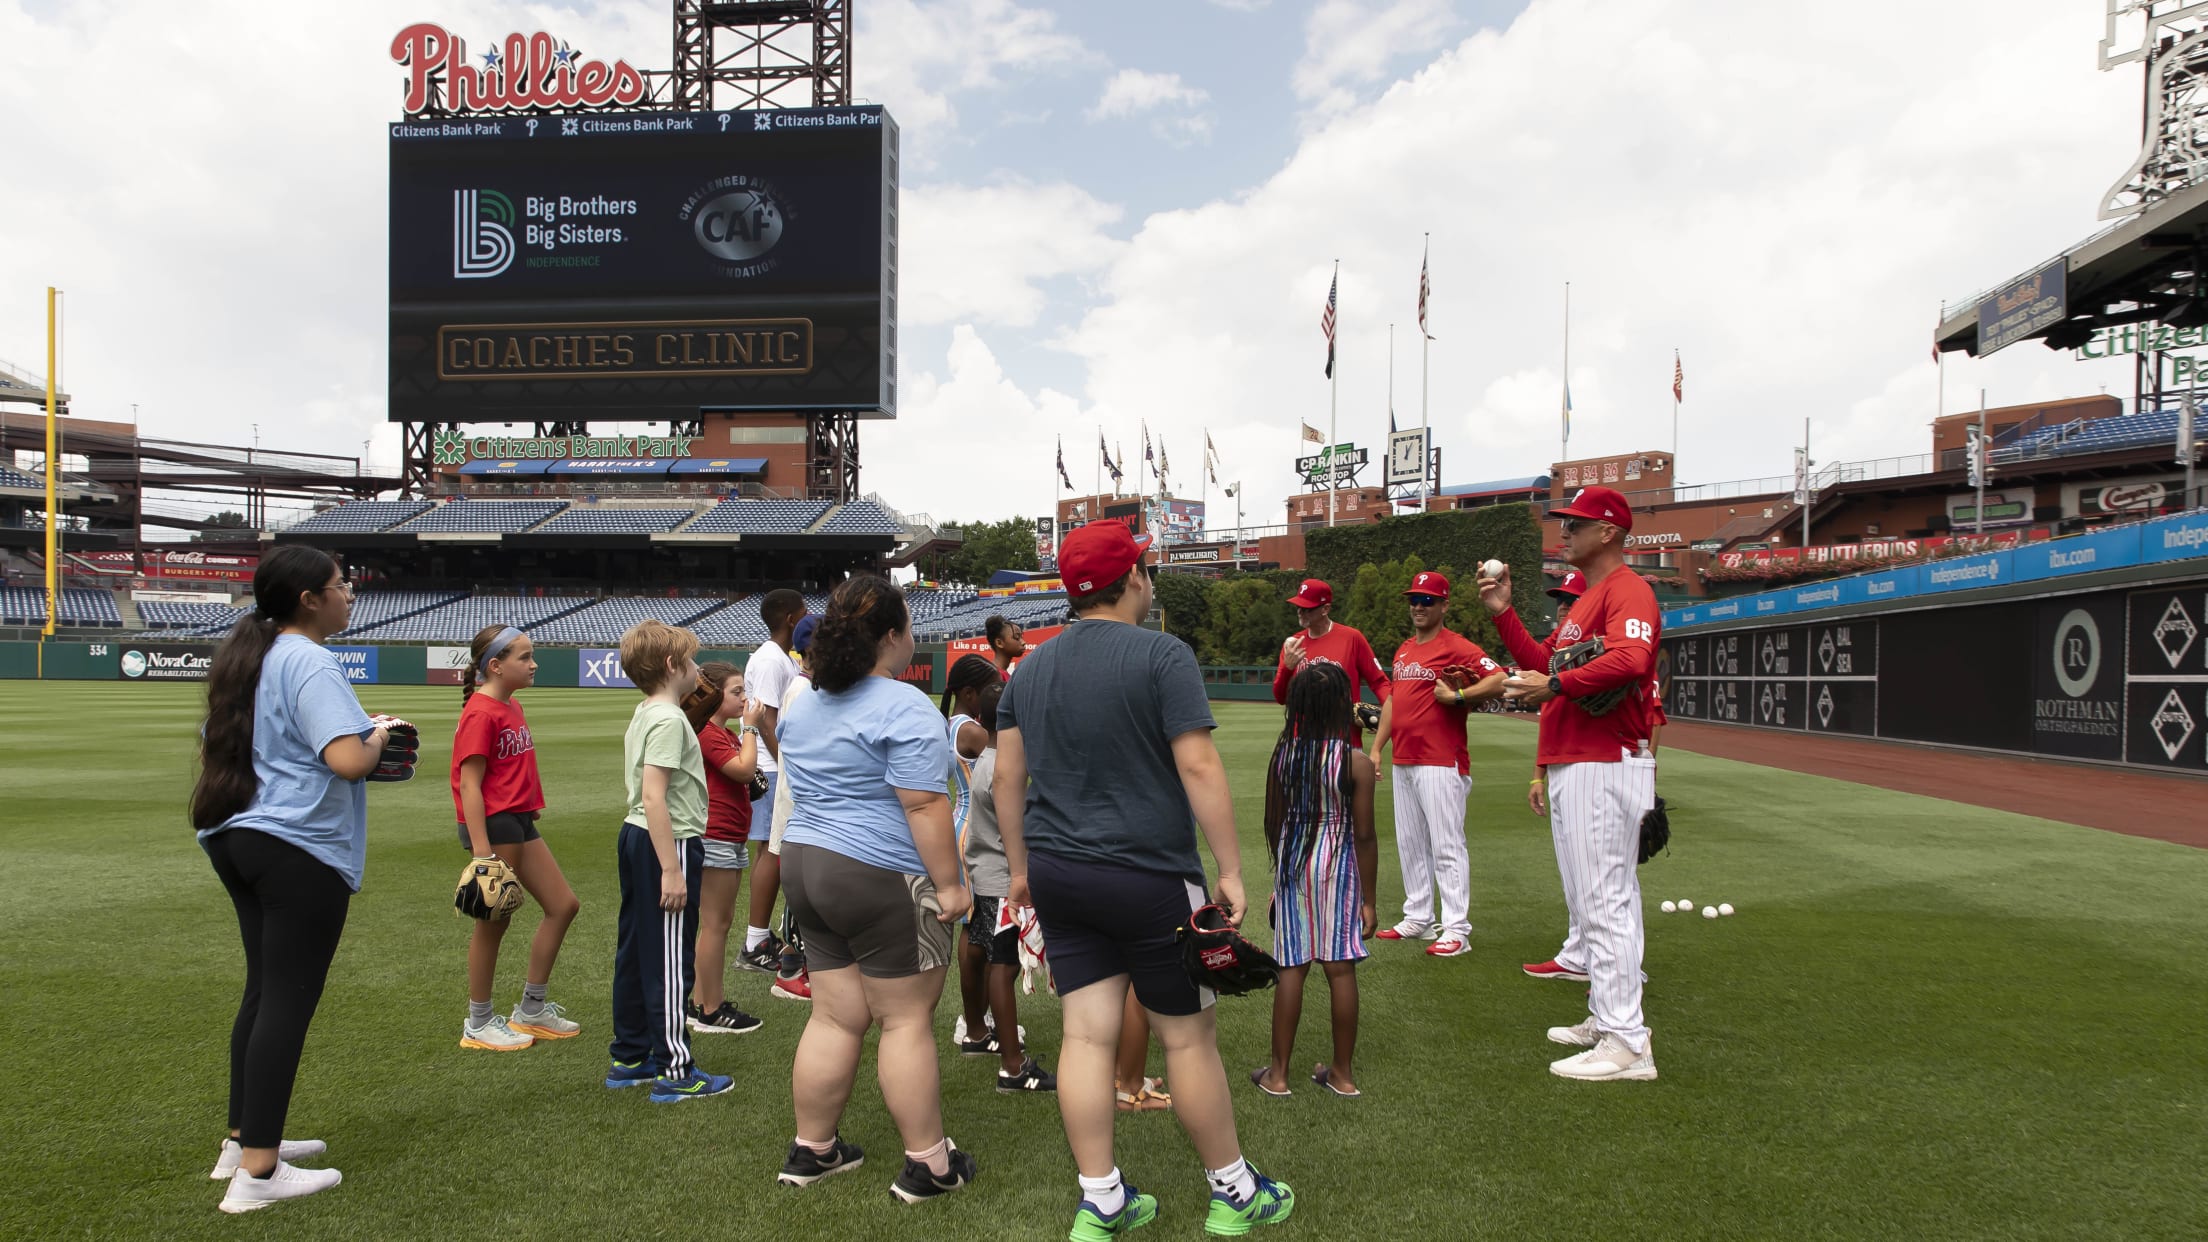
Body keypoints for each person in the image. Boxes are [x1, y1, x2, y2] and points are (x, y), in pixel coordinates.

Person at [997, 520, 1295, 1240]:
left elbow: (1009, 776)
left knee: (1086, 1038)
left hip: (1060, 872)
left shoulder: (1029, 668)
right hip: (1148, 874)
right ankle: (1235, 1190)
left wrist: (1017, 870)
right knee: (1188, 1040)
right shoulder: (1163, 653)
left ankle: (1100, 1198)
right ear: (1132, 578)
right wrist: (1229, 868)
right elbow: (1197, 766)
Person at [192, 546, 387, 1213]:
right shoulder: (308, 657)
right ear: (309, 598)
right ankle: (259, 1173)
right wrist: (381, 734)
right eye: (342, 586)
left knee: (263, 990)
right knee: (287, 1001)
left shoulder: (253, 653)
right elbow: (347, 759)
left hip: (238, 835)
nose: (350, 595)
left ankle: (244, 1140)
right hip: (297, 844)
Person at [775, 576, 977, 1202]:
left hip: (806, 864)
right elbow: (922, 806)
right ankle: (929, 1164)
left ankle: (814, 1149)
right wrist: (951, 885)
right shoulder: (904, 704)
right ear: (891, 636)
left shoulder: (802, 699)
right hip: (877, 870)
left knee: (835, 1017)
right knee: (906, 1018)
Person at [1478, 485, 1664, 1082]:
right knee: (1599, 902)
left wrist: (1556, 687)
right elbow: (1540, 659)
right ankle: (1611, 1021)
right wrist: (1504, 611)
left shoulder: (1629, 588)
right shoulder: (1589, 598)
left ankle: (1627, 1043)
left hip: (1603, 759)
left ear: (1609, 531)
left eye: (1576, 523)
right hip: (1578, 758)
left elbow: (1632, 660)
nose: (1565, 531)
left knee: (1605, 901)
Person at [605, 620, 733, 1103]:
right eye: (692, 660)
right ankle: (675, 1068)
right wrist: (673, 870)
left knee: (637, 949)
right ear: (671, 665)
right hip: (667, 841)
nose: (699, 670)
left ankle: (630, 1055)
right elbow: (655, 795)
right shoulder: (668, 719)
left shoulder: (647, 711)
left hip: (637, 836)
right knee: (670, 956)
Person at [452, 624, 583, 1051]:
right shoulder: (481, 712)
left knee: (563, 905)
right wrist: (483, 853)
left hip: (519, 820)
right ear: (495, 665)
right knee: (494, 921)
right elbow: (470, 785)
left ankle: (531, 1009)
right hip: (494, 824)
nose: (533, 663)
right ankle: (478, 1021)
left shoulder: (512, 706)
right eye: (524, 657)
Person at [1362, 572, 1506, 957]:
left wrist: (1460, 695)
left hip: (1442, 759)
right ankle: (1419, 916)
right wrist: (1377, 748)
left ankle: (1457, 928)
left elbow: (1499, 679)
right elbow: (1392, 701)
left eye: (1427, 601)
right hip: (1405, 757)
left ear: (1444, 605)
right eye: (1414, 599)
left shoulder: (1456, 645)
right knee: (1410, 842)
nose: (1418, 606)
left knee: (1446, 845)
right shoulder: (1405, 649)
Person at [1253, 663, 1377, 1099]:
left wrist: (1283, 871)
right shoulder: (1355, 761)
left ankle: (1279, 1075)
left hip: (1295, 861)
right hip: (1339, 865)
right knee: (1340, 969)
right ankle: (1342, 1075)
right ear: (1343, 705)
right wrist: (1369, 901)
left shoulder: (1284, 755)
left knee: (1292, 966)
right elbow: (1364, 834)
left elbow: (1274, 819)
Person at [957, 678, 1056, 1092]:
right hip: (1002, 881)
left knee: (980, 952)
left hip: (982, 873)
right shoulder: (1003, 768)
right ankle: (1013, 1065)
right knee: (1005, 966)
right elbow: (1016, 825)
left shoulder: (984, 759)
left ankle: (979, 1034)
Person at [681, 661, 765, 1035]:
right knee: (715, 924)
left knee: (719, 923)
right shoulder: (711, 734)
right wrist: (750, 726)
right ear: (714, 696)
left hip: (729, 834)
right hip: (714, 833)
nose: (745, 698)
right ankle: (709, 1008)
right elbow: (745, 771)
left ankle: (702, 1000)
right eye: (736, 692)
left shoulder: (724, 734)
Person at [1524, 570, 1592, 983]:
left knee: (1601, 883)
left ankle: (1613, 971)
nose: (1563, 607)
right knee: (1575, 876)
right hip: (1563, 761)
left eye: (1572, 600)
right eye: (1560, 601)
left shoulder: (1599, 646)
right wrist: (1537, 776)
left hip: (1596, 763)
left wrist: (1647, 775)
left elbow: (1651, 716)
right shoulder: (1560, 652)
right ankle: (1578, 954)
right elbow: (1548, 716)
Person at [942, 653, 1006, 1052]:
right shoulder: (973, 732)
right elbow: (1009, 762)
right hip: (975, 829)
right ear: (970, 694)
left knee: (975, 927)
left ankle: (975, 1018)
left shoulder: (953, 723)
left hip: (963, 821)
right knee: (977, 929)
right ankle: (974, 1021)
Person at [742, 588, 808, 973]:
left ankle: (759, 935)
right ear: (789, 619)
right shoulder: (770, 659)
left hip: (770, 763)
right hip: (770, 765)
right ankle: (755, 941)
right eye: (802, 612)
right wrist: (786, 765)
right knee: (772, 850)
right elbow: (766, 719)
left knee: (770, 849)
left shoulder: (779, 657)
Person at [762, 614, 821, 1002]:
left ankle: (796, 963)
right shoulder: (802, 689)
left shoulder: (805, 687)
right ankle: (791, 970)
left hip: (801, 807)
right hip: (799, 808)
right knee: (800, 895)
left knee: (807, 892)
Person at [1271, 578, 1389, 741]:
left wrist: (1393, 715)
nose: (1301, 612)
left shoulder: (1351, 638)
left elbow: (1379, 682)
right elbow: (1280, 698)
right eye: (1299, 607)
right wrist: (1287, 669)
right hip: (1303, 741)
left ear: (1325, 609)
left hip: (1344, 739)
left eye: (1307, 608)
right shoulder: (1293, 644)